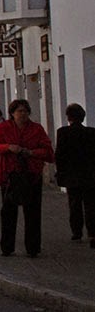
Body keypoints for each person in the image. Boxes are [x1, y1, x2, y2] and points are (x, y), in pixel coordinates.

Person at [0, 99, 55, 258]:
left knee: (33, 212)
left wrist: (31, 153)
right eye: (19, 111)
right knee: (8, 212)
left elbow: (48, 152)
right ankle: (7, 247)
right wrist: (8, 147)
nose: (22, 114)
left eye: (25, 111)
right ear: (12, 113)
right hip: (9, 175)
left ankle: (33, 247)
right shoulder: (4, 128)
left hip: (32, 175)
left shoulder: (36, 129)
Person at [55, 103, 95, 247]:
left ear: (68, 117)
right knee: (90, 204)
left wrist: (60, 172)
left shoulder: (63, 132)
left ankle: (76, 232)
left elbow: (59, 154)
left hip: (71, 174)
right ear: (83, 117)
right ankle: (92, 232)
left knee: (74, 204)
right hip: (89, 174)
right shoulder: (91, 132)